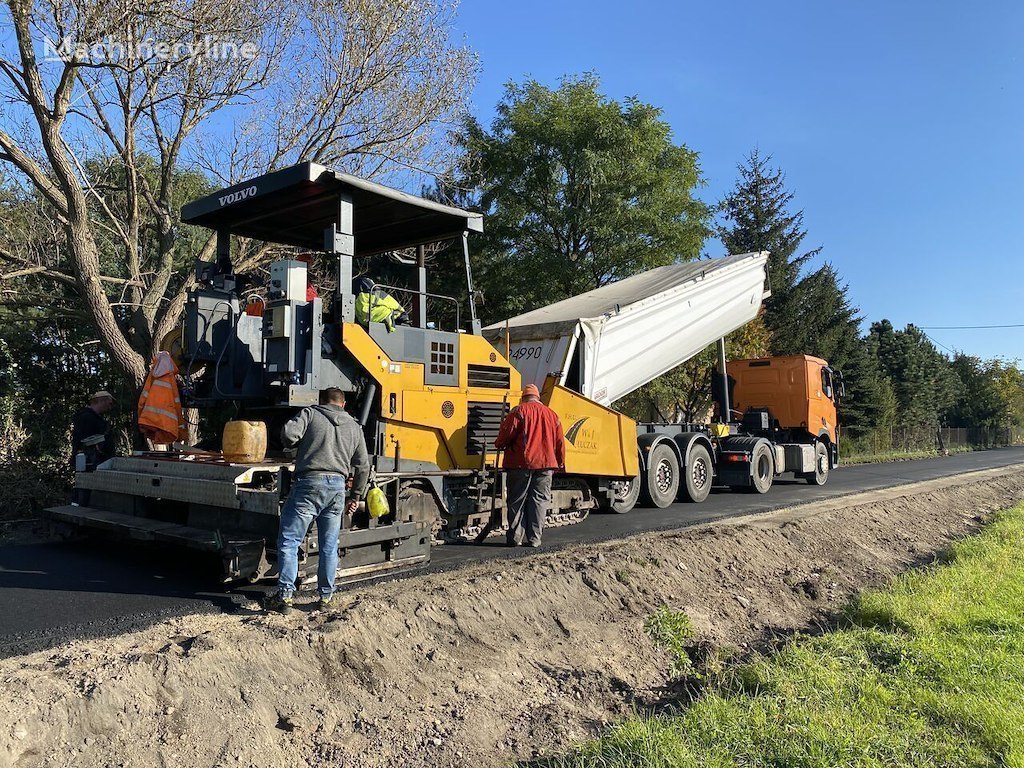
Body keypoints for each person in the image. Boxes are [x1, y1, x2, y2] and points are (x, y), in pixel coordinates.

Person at [264, 387, 370, 614]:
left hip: (309, 485)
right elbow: (363, 465)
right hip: (337, 490)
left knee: (290, 541)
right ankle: (325, 599)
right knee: (329, 546)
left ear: (322, 401)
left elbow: (289, 434)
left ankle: (285, 598)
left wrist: (295, 445)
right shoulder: (354, 426)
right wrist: (356, 495)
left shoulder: (311, 414)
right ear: (343, 404)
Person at [494, 383, 565, 548]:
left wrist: (498, 443)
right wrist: (559, 463)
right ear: (537, 397)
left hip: (520, 465)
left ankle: (515, 538)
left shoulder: (519, 412)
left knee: (517, 500)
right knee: (539, 501)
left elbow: (505, 436)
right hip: (546, 465)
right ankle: (534, 539)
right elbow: (560, 443)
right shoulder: (552, 415)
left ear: (523, 397)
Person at [71, 390, 116, 471]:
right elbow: (85, 441)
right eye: (109, 404)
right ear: (102, 401)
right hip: (90, 463)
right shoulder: (86, 417)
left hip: (96, 462)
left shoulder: (96, 418)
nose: (110, 408)